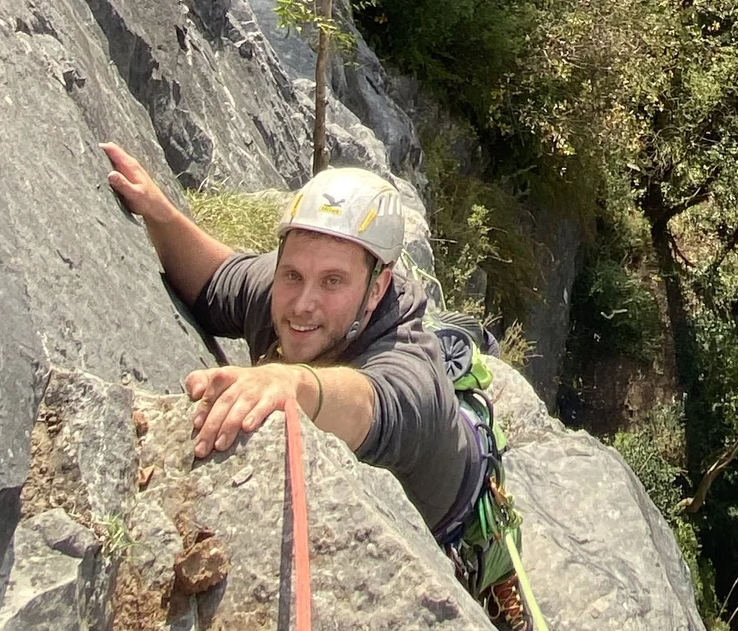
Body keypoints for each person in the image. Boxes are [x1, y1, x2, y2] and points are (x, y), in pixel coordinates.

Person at [102, 144, 534, 630]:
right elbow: (215, 279)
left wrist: (292, 382)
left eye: (332, 282)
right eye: (293, 274)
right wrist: (161, 216)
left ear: (377, 286)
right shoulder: (286, 287)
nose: (303, 304)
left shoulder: (413, 372)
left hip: (449, 523)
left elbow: (372, 406)